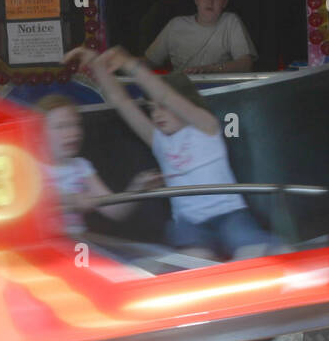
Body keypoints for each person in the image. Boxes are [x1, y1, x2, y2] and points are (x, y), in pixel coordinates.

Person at [71, 45, 272, 261]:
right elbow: (120, 101)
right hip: (190, 225)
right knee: (193, 265)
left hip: (230, 216)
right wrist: (97, 65)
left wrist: (130, 65)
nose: (157, 114)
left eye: (163, 107)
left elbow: (166, 95)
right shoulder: (158, 140)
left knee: (250, 256)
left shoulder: (205, 126)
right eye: (152, 108)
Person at [37, 93, 158, 239]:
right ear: (38, 132)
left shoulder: (80, 166)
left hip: (77, 244)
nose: (73, 133)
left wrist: (137, 189)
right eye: (61, 126)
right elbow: (34, 200)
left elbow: (115, 211)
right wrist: (72, 199)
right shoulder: (27, 166)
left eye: (75, 125)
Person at [145, 0, 257, 74]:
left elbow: (246, 64)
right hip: (181, 92)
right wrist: (128, 63)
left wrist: (210, 69)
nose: (210, 1)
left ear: (225, 2)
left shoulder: (230, 21)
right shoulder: (176, 25)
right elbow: (150, 62)